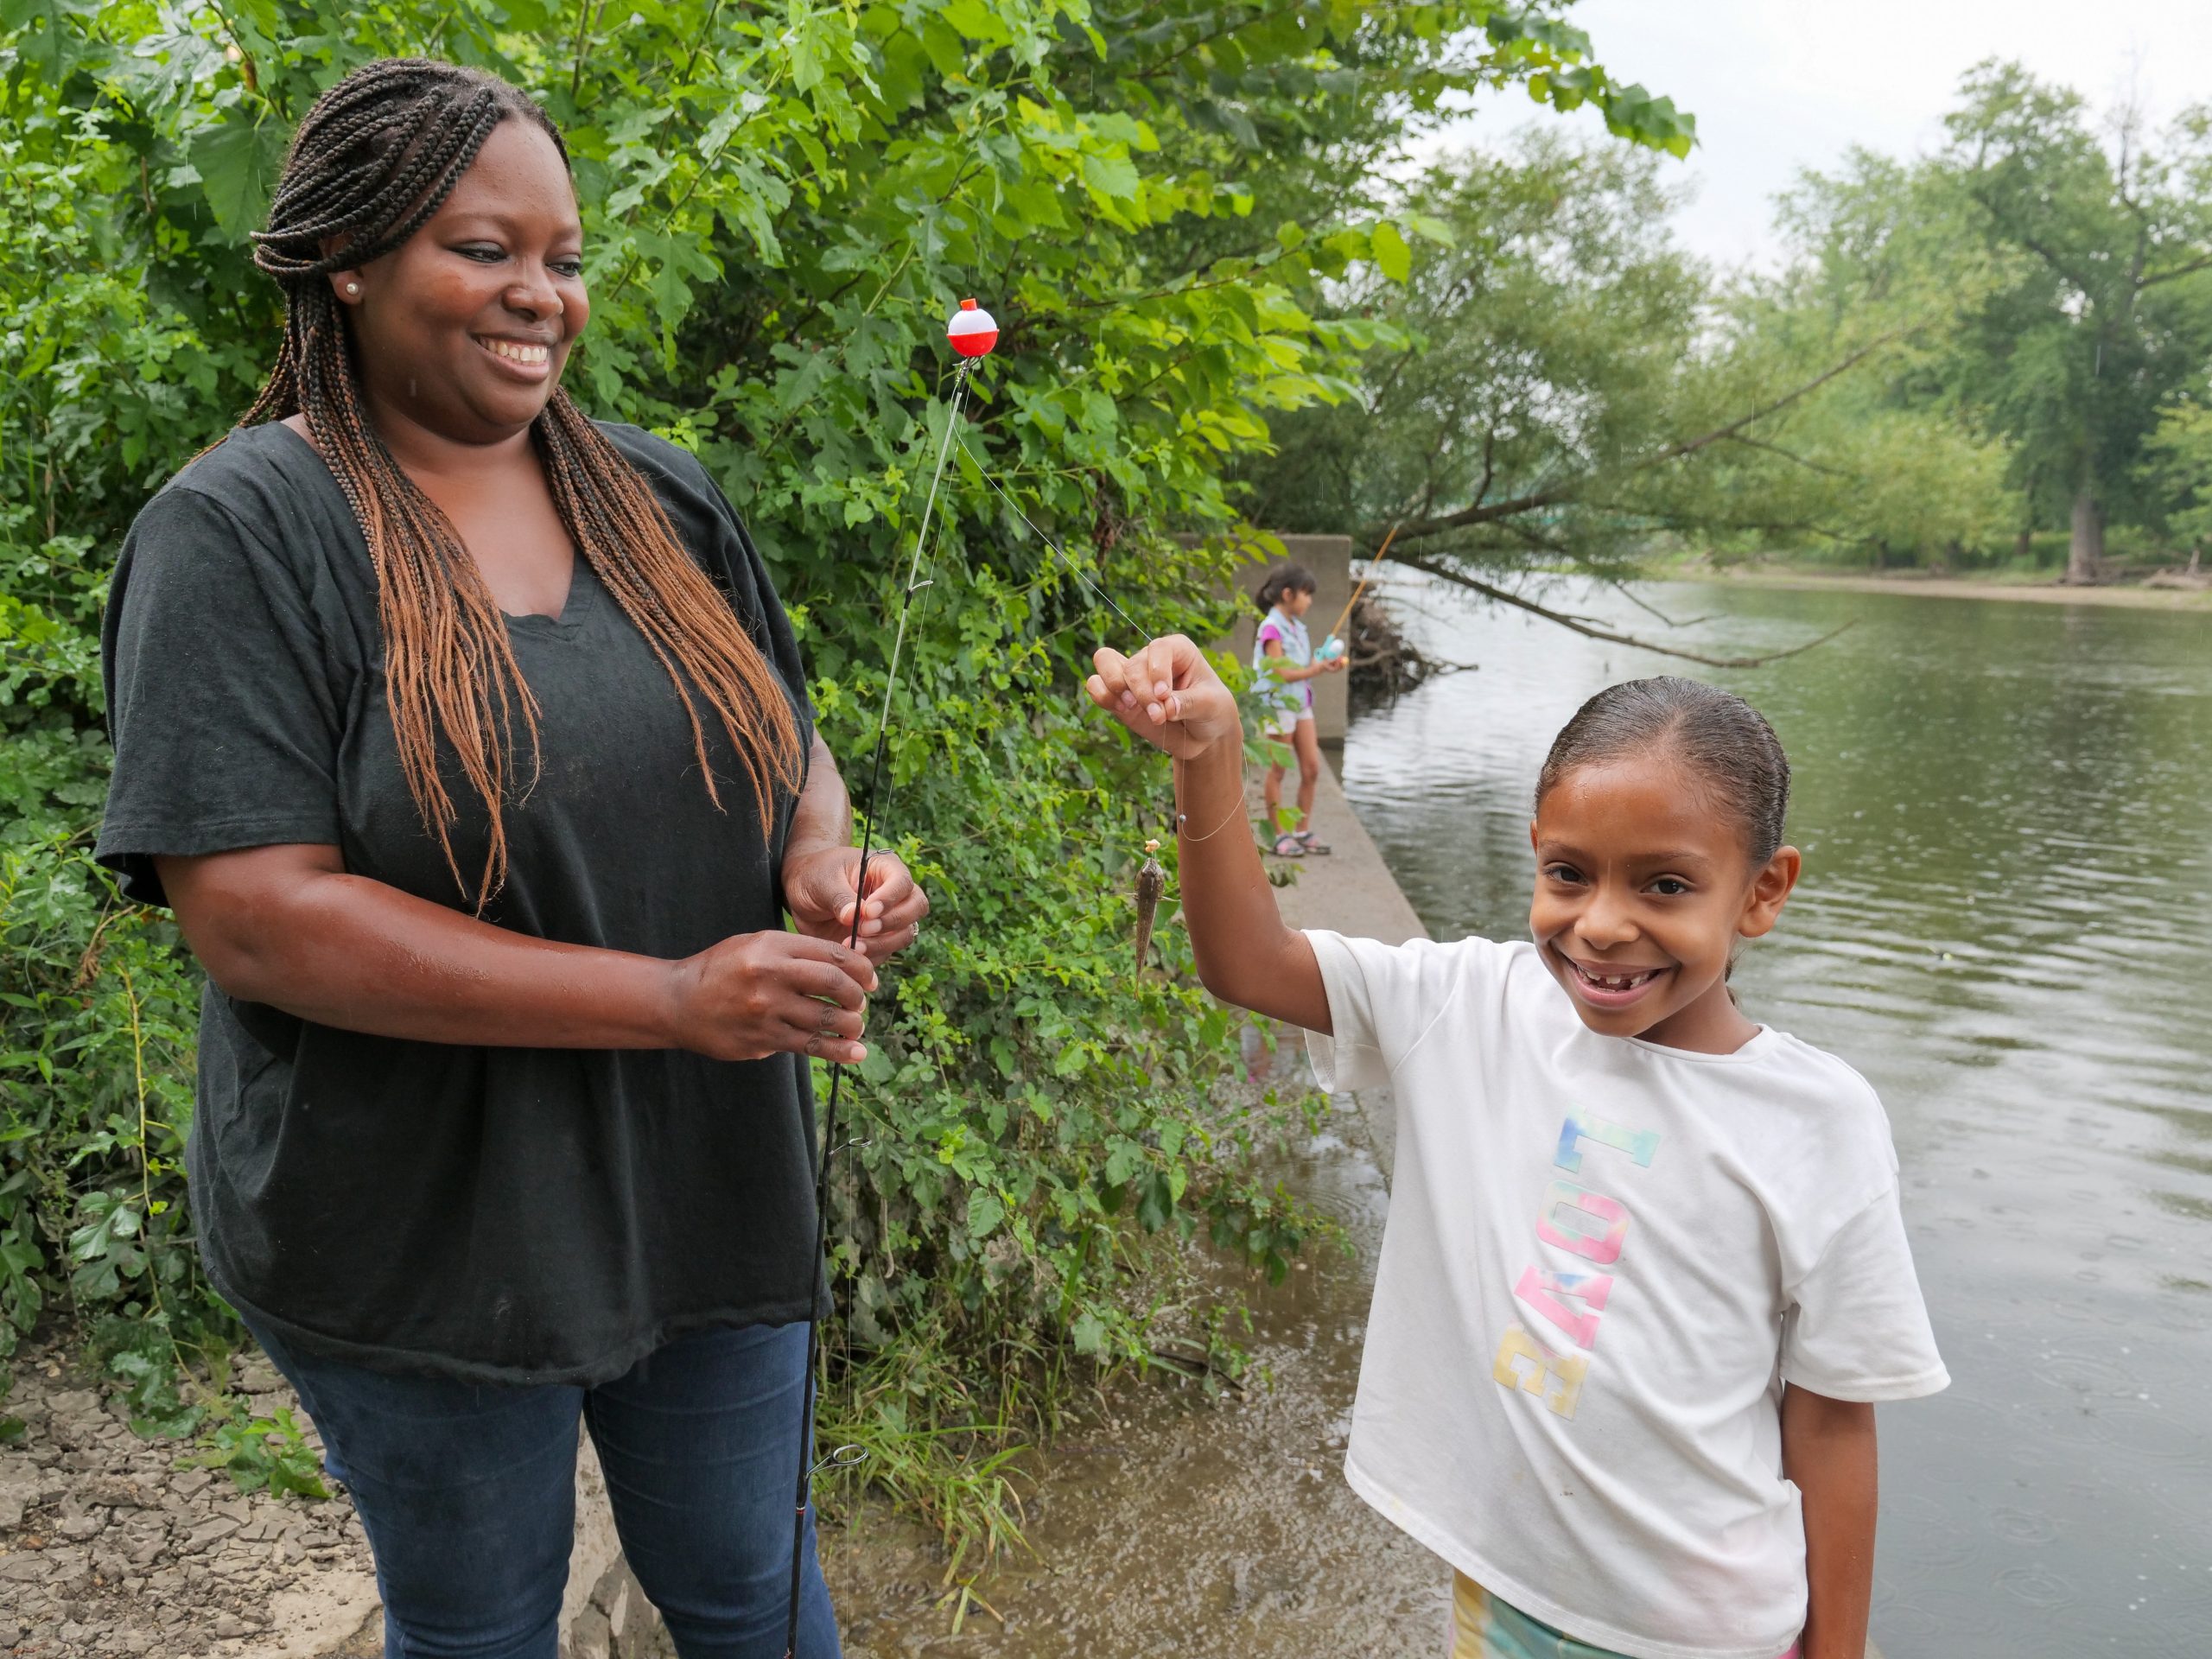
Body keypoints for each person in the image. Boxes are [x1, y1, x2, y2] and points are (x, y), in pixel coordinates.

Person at [95, 59, 923, 1659]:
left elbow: (787, 743)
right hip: (419, 1225)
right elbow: (259, 922)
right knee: (477, 1626)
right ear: (351, 257)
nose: (539, 294)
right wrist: (670, 995)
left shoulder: (654, 498)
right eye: (485, 249)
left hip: (702, 1185)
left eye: (564, 256)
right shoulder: (245, 533)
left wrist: (824, 857)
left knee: (751, 1591)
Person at [1086, 639, 1947, 1659]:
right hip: (1505, 1598)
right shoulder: (1467, 1003)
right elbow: (1246, 962)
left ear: (1762, 891)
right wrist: (1209, 755)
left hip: (1712, 1630)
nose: (1602, 926)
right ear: (1533, 848)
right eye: (1569, 875)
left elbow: (1834, 1418)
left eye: (1666, 886)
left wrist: (1836, 1650)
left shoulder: (1820, 1121)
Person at [1250, 563, 1345, 857]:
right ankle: (1279, 835)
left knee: (1312, 768)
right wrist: (1315, 670)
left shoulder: (1297, 627)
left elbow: (1300, 670)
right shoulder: (1271, 627)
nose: (1310, 600)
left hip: (1300, 702)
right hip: (1278, 704)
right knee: (1277, 770)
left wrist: (1319, 666)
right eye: (1306, 594)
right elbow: (1279, 672)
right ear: (1288, 594)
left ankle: (1301, 831)